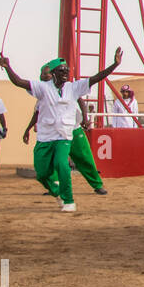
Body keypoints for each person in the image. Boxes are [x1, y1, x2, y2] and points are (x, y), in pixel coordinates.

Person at [1, 49, 122, 213]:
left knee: (63, 163)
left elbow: (96, 78)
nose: (65, 72)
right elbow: (19, 82)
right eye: (61, 70)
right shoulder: (42, 88)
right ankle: (56, 191)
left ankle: (69, 200)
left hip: (65, 134)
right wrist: (7, 66)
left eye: (67, 70)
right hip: (45, 137)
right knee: (42, 173)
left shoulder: (73, 88)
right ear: (53, 73)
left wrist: (114, 64)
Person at [23, 66, 109, 197]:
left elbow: (81, 102)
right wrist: (29, 128)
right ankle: (54, 186)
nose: (43, 76)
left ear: (52, 75)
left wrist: (85, 119)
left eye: (46, 74)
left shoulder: (69, 88)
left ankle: (97, 184)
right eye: (42, 74)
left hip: (73, 129)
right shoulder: (43, 92)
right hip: (54, 134)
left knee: (84, 158)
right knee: (53, 161)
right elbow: (37, 112)